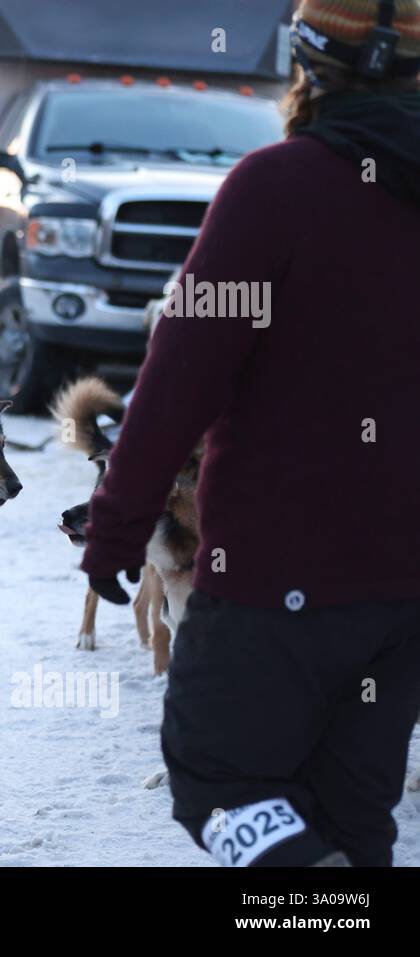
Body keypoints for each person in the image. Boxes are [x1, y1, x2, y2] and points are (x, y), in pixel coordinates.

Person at [82, 0, 420, 867]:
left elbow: (177, 379)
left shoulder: (280, 186)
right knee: (350, 812)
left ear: (306, 63)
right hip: (401, 594)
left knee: (220, 781)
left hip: (279, 576)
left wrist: (117, 523)